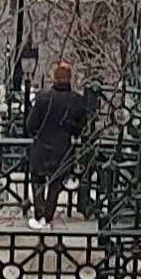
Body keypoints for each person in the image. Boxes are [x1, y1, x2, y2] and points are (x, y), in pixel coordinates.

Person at [26, 61, 87, 223]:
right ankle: (48, 214)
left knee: (38, 179)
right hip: (63, 150)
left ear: (54, 78)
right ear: (69, 79)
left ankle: (39, 212)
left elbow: (30, 125)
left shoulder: (43, 98)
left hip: (42, 149)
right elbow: (81, 128)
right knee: (55, 183)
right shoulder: (77, 101)